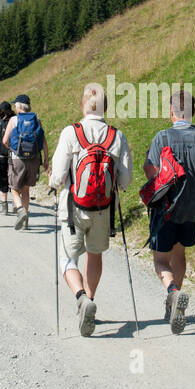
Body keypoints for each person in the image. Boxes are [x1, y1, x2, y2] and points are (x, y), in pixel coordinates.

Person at [49, 83, 132, 336]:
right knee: (95, 255)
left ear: (82, 105)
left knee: (68, 259)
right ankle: (91, 299)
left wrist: (52, 183)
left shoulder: (70, 133)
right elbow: (125, 180)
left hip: (73, 209)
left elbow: (59, 175)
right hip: (103, 210)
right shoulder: (117, 136)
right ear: (105, 107)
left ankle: (81, 298)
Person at [142, 89, 195, 334]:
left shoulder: (162, 137)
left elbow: (150, 171)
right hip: (191, 208)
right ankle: (173, 307)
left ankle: (173, 293)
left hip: (166, 208)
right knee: (179, 253)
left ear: (171, 112)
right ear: (193, 112)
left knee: (160, 260)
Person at [3, 94, 46, 231]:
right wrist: (46, 160)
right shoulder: (36, 120)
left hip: (18, 159)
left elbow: (4, 141)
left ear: (20, 106)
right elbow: (43, 142)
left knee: (14, 189)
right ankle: (25, 222)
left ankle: (20, 210)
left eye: (16, 105)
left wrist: (13, 149)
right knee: (26, 189)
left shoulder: (14, 120)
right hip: (33, 159)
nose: (14, 107)